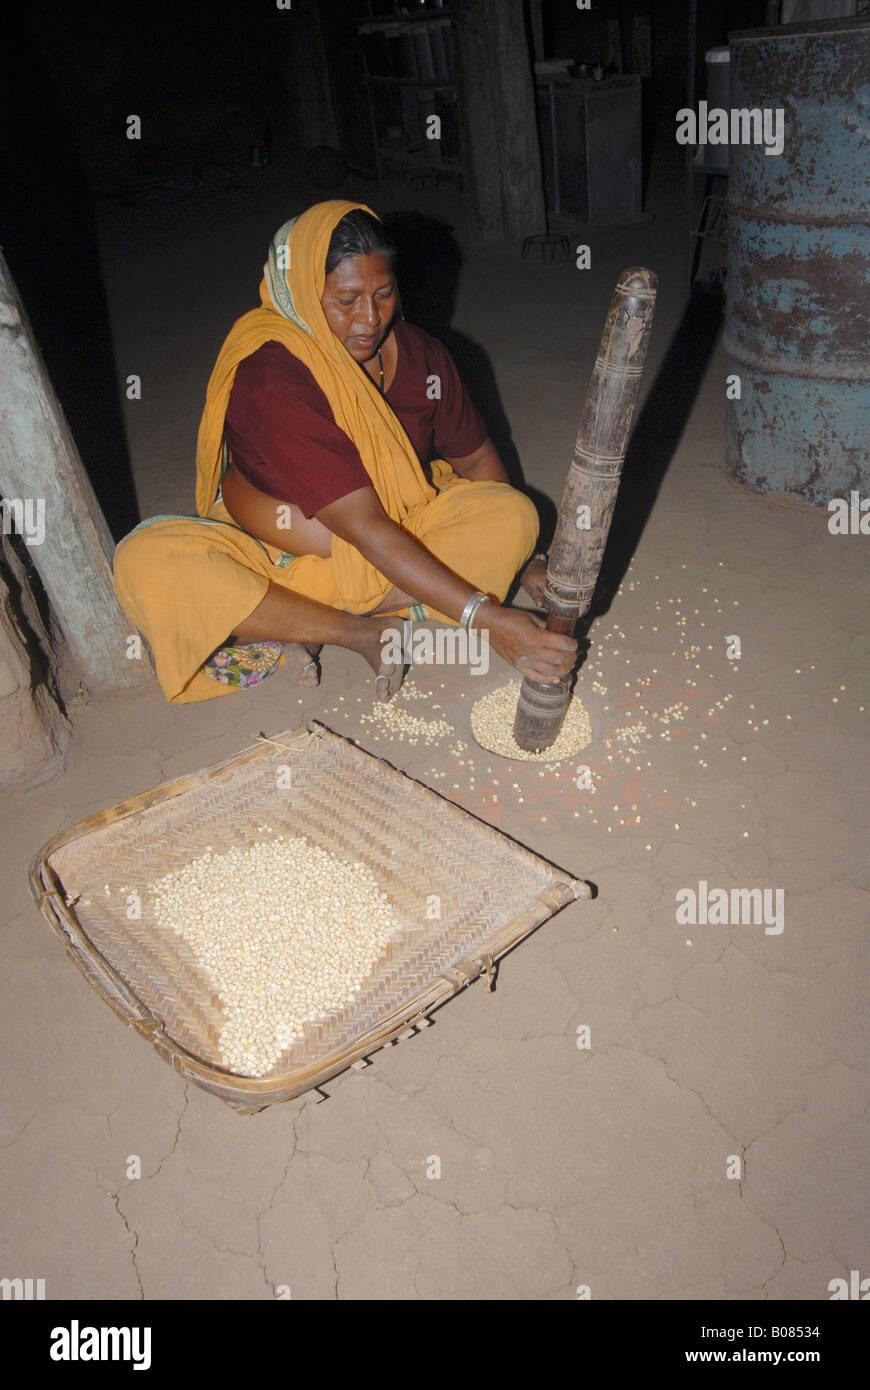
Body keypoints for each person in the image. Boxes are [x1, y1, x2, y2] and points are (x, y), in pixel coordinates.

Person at [113, 199, 575, 703]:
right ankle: (356, 631)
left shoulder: (422, 356)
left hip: (394, 539)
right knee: (148, 563)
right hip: (275, 555)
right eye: (346, 299)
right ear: (304, 294)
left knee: (510, 514)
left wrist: (526, 557)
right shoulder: (274, 377)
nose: (370, 318)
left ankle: (281, 620)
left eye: (384, 293)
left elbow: (476, 461)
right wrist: (483, 618)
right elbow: (364, 526)